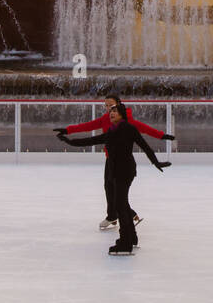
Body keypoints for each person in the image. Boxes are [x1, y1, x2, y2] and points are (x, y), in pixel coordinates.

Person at [58, 104, 171, 256]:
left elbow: (144, 146)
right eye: (110, 111)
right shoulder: (111, 131)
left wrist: (156, 162)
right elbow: (93, 140)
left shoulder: (128, 128)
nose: (111, 113)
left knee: (120, 205)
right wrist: (69, 141)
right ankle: (131, 238)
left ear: (122, 114)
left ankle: (125, 243)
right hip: (116, 171)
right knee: (122, 204)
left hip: (125, 171)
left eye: (114, 111)